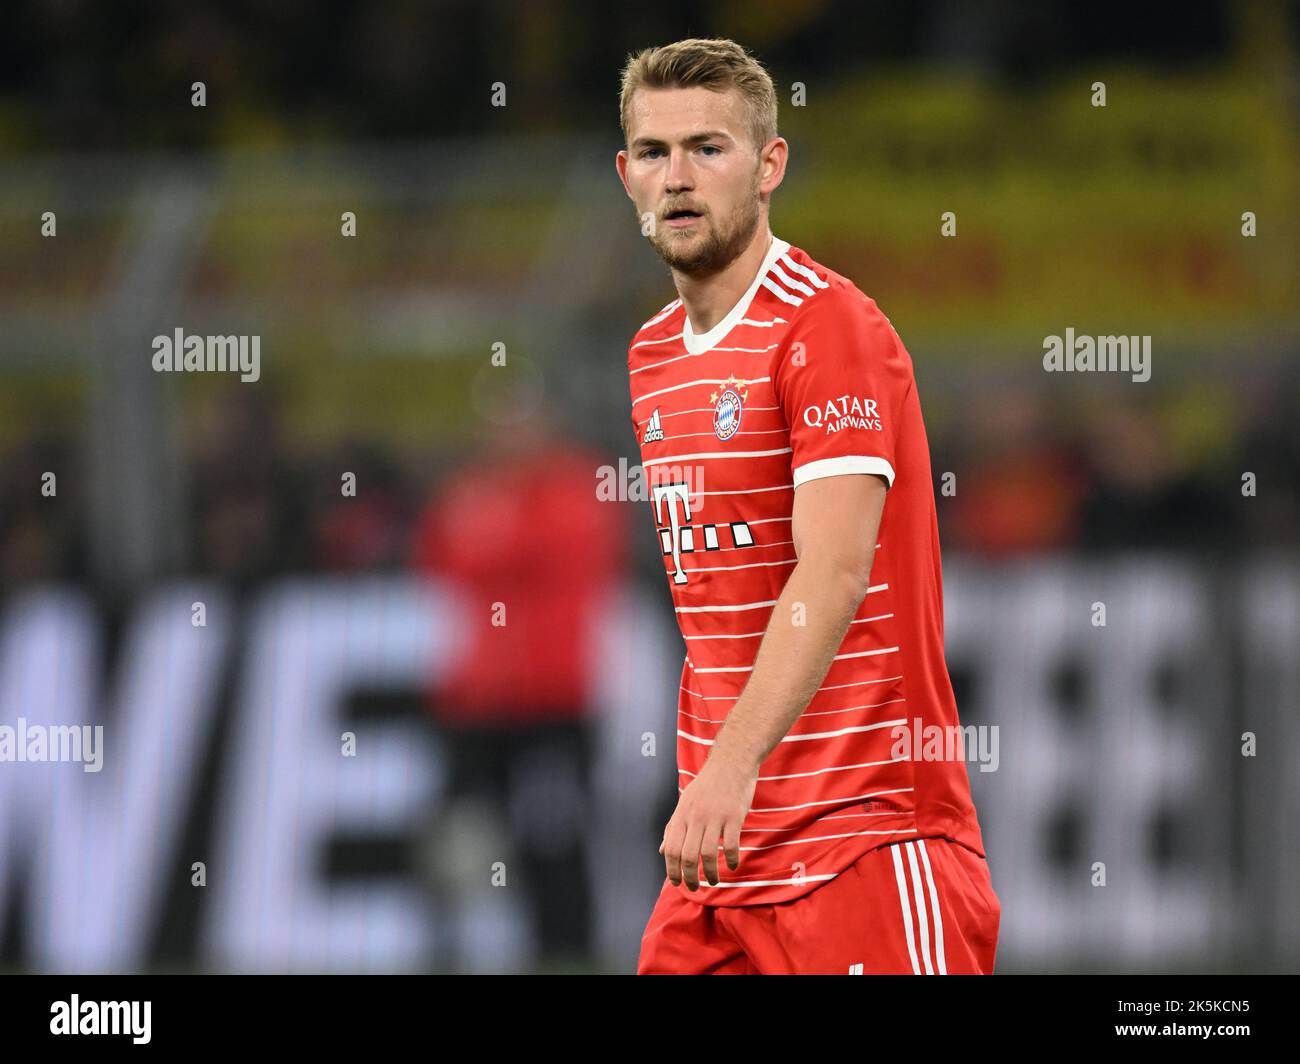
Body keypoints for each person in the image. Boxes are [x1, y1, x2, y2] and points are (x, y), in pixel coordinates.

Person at [615, 37, 1000, 974]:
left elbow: (829, 574)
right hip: (723, 864)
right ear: (624, 174)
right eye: (656, 153)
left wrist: (728, 767)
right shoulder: (652, 355)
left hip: (866, 837)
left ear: (769, 164)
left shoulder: (827, 325)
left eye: (710, 148)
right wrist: (721, 783)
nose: (679, 177)